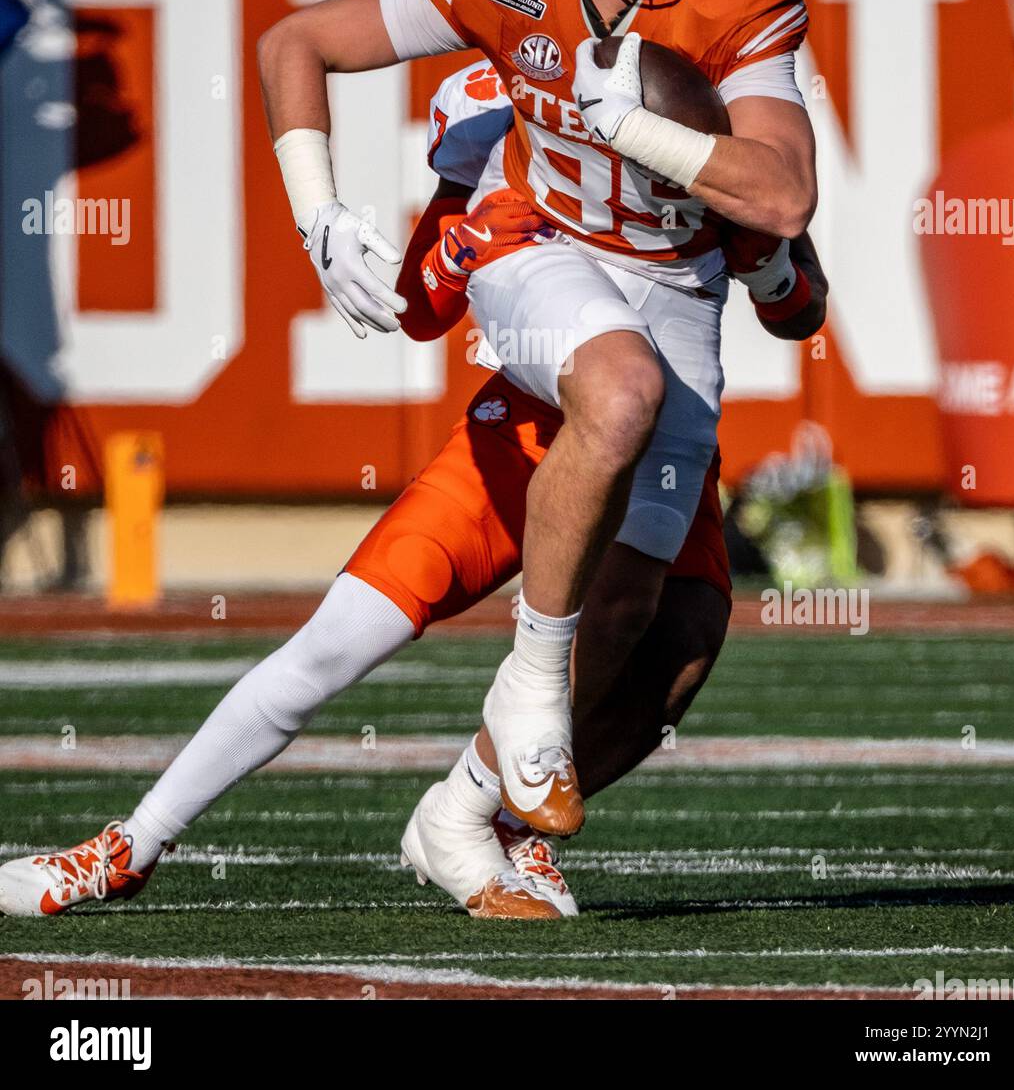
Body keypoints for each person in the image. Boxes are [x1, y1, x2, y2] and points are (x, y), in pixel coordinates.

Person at [0, 60, 827, 921]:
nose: (664, 190)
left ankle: (483, 818)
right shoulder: (519, 191)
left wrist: (778, 270)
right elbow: (423, 308)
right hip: (518, 442)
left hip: (657, 449)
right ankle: (129, 845)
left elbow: (800, 305)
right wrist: (455, 194)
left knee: (677, 642)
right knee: (336, 645)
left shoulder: (715, 172)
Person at [251, 0, 815, 845]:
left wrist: (638, 127)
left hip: (675, 283)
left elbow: (782, 193)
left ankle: (466, 811)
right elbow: (297, 42)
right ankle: (521, 702)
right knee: (612, 399)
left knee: (669, 621)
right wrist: (319, 214)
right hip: (539, 255)